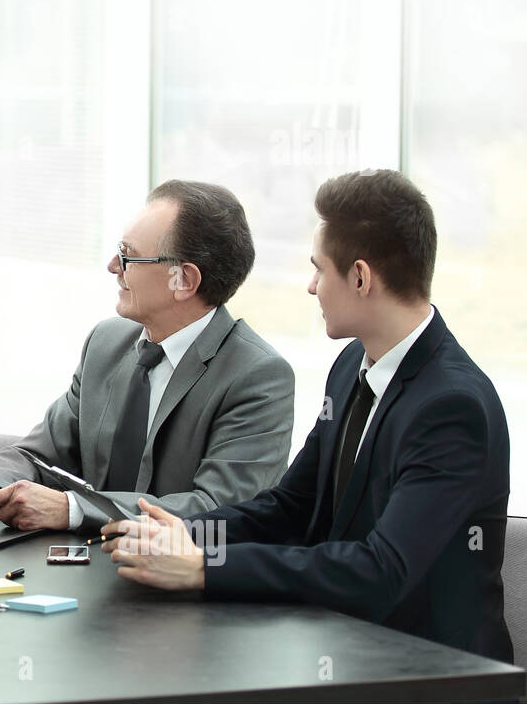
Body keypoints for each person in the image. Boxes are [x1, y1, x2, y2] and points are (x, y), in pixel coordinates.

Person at [103, 171, 513, 663]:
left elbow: (380, 569)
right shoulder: (351, 367)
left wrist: (204, 565)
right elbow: (290, 506)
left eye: (319, 269)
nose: (311, 286)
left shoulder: (452, 407)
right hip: (340, 647)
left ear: (360, 277)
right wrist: (182, 531)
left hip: (430, 679)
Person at [0, 180, 295, 532]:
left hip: (185, 583)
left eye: (129, 256)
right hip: (84, 572)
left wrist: (74, 509)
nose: (112, 265)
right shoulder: (107, 343)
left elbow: (217, 509)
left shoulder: (257, 375)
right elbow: (41, 453)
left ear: (183, 280)